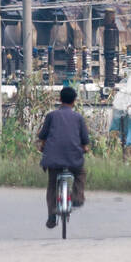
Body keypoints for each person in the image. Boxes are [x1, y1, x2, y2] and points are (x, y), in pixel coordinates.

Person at [37, 85, 90, 229]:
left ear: (60, 99)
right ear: (74, 101)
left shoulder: (51, 116)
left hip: (53, 158)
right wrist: (84, 147)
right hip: (73, 158)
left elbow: (43, 135)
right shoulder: (78, 118)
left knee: (52, 184)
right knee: (80, 173)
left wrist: (42, 146)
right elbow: (85, 139)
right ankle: (77, 198)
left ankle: (51, 215)